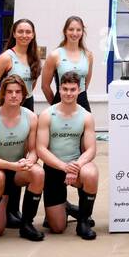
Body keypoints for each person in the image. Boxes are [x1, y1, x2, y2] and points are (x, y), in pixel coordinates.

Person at [0, 75, 49, 242]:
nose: (13, 95)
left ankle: (27, 224)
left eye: (18, 92)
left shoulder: (30, 117)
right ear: (2, 94)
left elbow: (33, 150)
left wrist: (29, 161)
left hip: (18, 170)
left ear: (23, 95)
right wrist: (11, 166)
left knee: (38, 173)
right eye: (9, 92)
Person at [35, 71, 99, 239]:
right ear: (60, 90)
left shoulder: (86, 116)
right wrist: (64, 166)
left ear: (79, 90)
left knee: (91, 173)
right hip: (55, 167)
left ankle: (83, 221)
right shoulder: (47, 115)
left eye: (73, 89)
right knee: (57, 228)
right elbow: (41, 149)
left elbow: (91, 149)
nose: (69, 93)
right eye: (65, 89)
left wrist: (76, 165)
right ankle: (66, 207)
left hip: (77, 165)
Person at [0, 19, 42, 110]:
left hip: (28, 105)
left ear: (33, 35)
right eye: (20, 32)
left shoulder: (34, 58)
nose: (24, 35)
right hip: (9, 105)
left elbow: (31, 85)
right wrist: (0, 102)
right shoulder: (6, 57)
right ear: (14, 34)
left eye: (28, 32)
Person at [42, 16, 95, 111]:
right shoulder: (55, 55)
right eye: (71, 29)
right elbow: (45, 86)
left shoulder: (88, 55)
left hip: (82, 103)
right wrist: (55, 104)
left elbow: (86, 83)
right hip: (60, 103)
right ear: (65, 31)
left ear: (82, 32)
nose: (74, 33)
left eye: (78, 30)